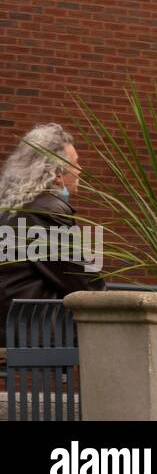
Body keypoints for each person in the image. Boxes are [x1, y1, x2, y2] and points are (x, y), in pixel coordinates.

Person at [0, 124, 107, 328]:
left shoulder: (10, 207)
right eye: (76, 163)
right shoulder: (47, 212)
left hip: (14, 327)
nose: (80, 170)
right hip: (35, 333)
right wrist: (115, 306)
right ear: (57, 173)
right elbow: (80, 280)